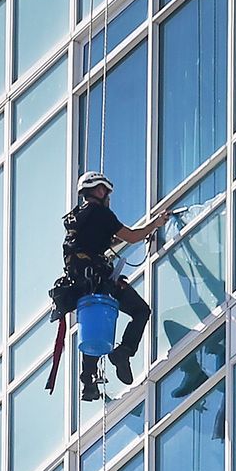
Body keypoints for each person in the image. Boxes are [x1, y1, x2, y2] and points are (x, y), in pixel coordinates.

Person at [63, 171, 169, 401]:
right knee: (141, 310)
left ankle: (88, 381)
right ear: (99, 191)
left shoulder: (76, 216)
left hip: (81, 286)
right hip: (100, 281)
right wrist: (156, 223)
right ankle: (123, 352)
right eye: (106, 192)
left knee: (92, 327)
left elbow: (102, 239)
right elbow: (130, 236)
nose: (108, 196)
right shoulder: (101, 212)